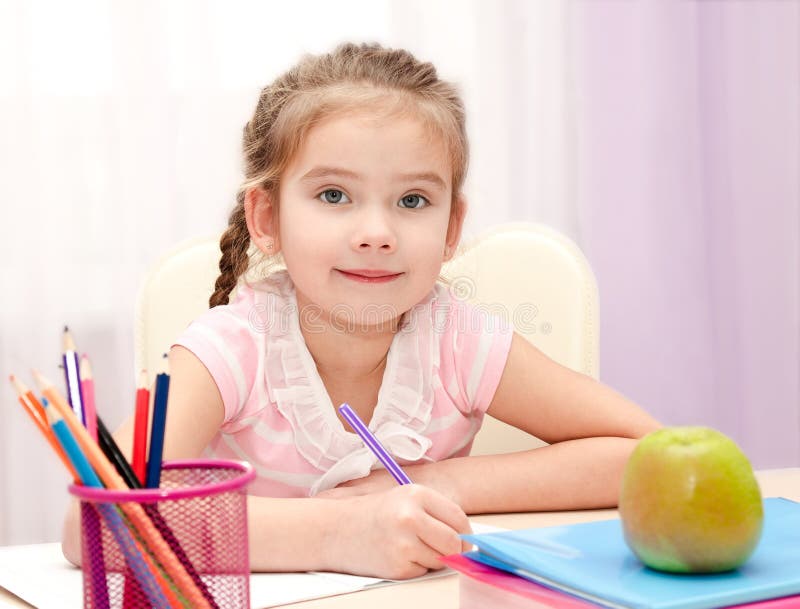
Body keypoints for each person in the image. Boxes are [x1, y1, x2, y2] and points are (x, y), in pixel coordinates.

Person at [63, 42, 660, 579]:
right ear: (266, 218)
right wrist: (337, 534)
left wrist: (438, 480)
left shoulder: (457, 340)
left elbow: (650, 454)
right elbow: (91, 526)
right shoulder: (228, 351)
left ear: (450, 226)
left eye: (412, 199)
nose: (376, 232)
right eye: (333, 195)